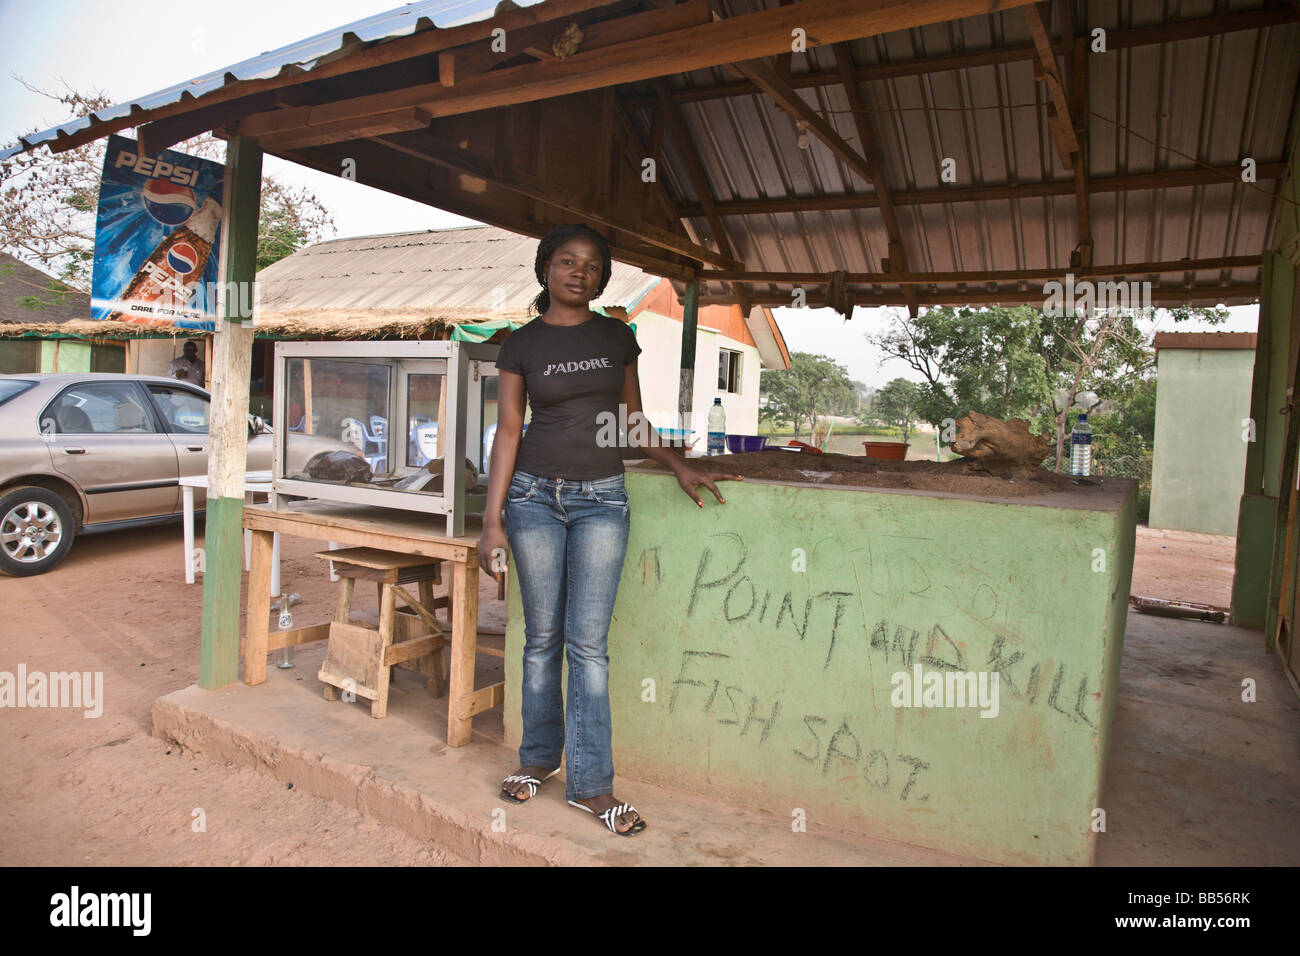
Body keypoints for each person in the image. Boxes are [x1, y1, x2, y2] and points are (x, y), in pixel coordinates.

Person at [479, 224, 742, 836]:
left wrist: (676, 461)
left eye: (593, 266)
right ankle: (538, 760)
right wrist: (491, 520)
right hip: (532, 499)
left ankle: (592, 786)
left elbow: (630, 419)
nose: (580, 273)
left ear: (601, 277)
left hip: (601, 500)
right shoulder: (519, 346)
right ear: (545, 269)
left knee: (587, 648)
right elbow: (509, 432)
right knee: (540, 640)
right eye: (567, 262)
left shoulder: (616, 337)